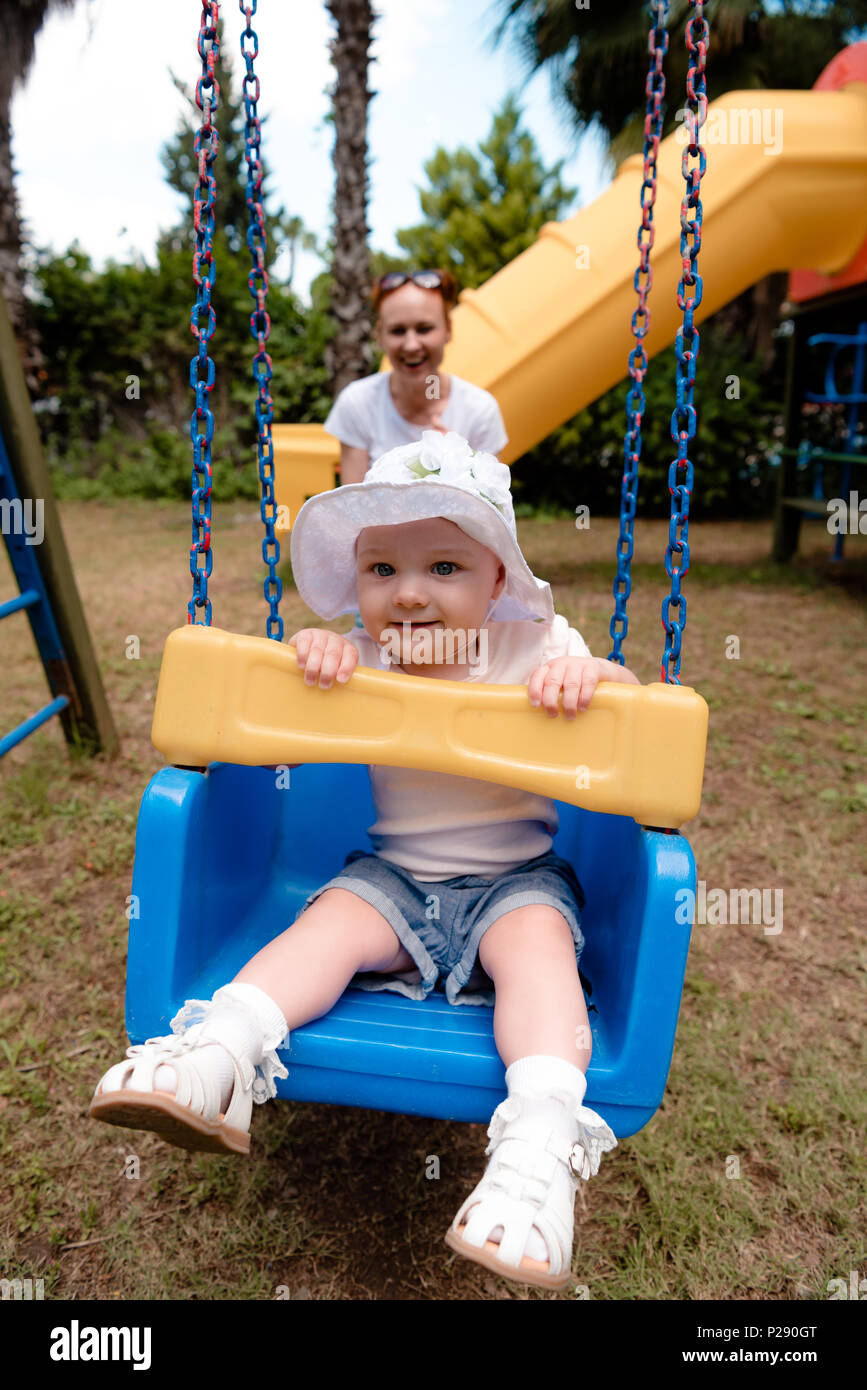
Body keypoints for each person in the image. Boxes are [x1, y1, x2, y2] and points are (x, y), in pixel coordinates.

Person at [90, 431, 641, 1291]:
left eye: (444, 569)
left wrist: (595, 679)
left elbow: (635, 714)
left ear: (498, 579)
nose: (408, 594)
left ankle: (535, 1152)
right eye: (381, 570)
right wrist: (322, 655)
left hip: (513, 880)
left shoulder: (536, 645)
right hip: (395, 878)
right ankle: (219, 1055)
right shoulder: (359, 650)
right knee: (329, 924)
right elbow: (300, 679)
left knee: (537, 956)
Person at [324, 269, 508, 483]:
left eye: (424, 329)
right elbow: (352, 508)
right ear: (380, 335)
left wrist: (458, 463)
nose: (411, 345)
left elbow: (493, 509)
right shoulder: (358, 403)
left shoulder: (480, 411)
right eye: (398, 331)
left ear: (448, 329)